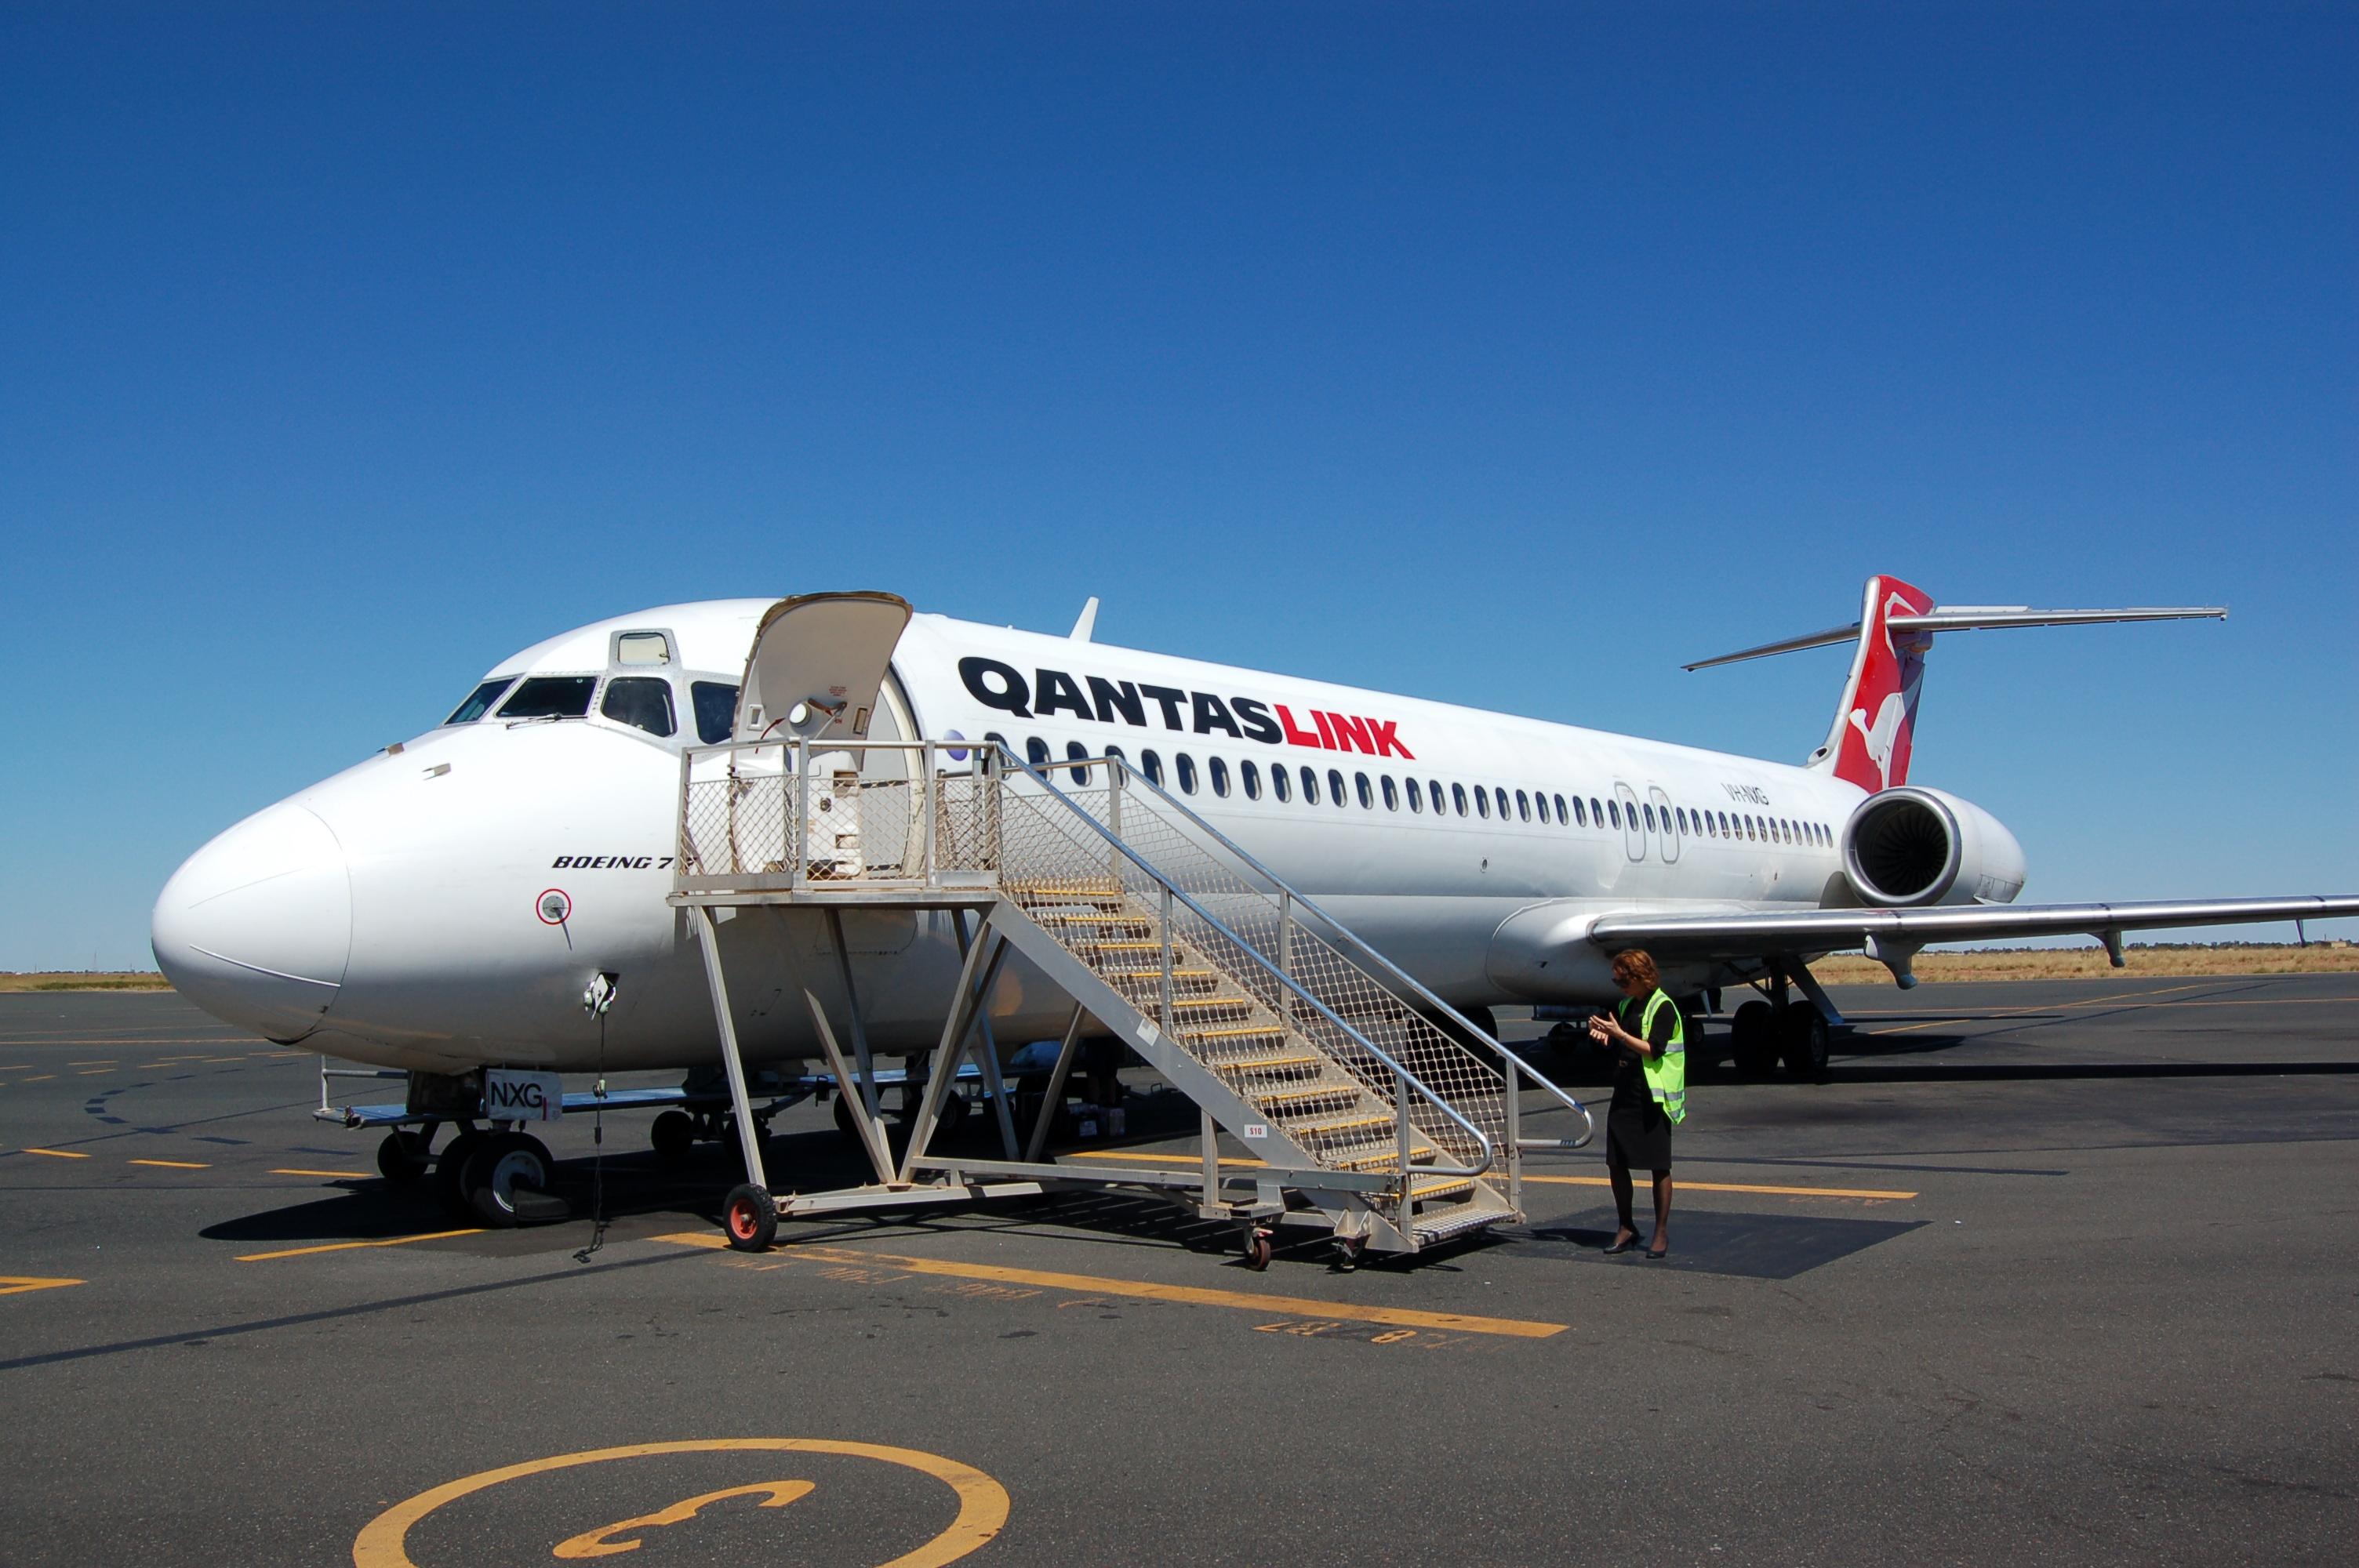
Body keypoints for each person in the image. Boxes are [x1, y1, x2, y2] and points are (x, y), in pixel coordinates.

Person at [1585, 949, 1687, 1259]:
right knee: (1616, 1162)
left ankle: (1660, 1230)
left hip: (1651, 1096)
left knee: (1659, 1165)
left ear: (1641, 977)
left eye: (1624, 981)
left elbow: (1653, 1049)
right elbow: (1621, 1040)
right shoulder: (1628, 1004)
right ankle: (1626, 1225)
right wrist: (1604, 1035)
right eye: (1617, 981)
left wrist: (1619, 1034)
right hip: (1625, 1091)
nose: (1620, 987)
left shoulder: (1663, 1006)